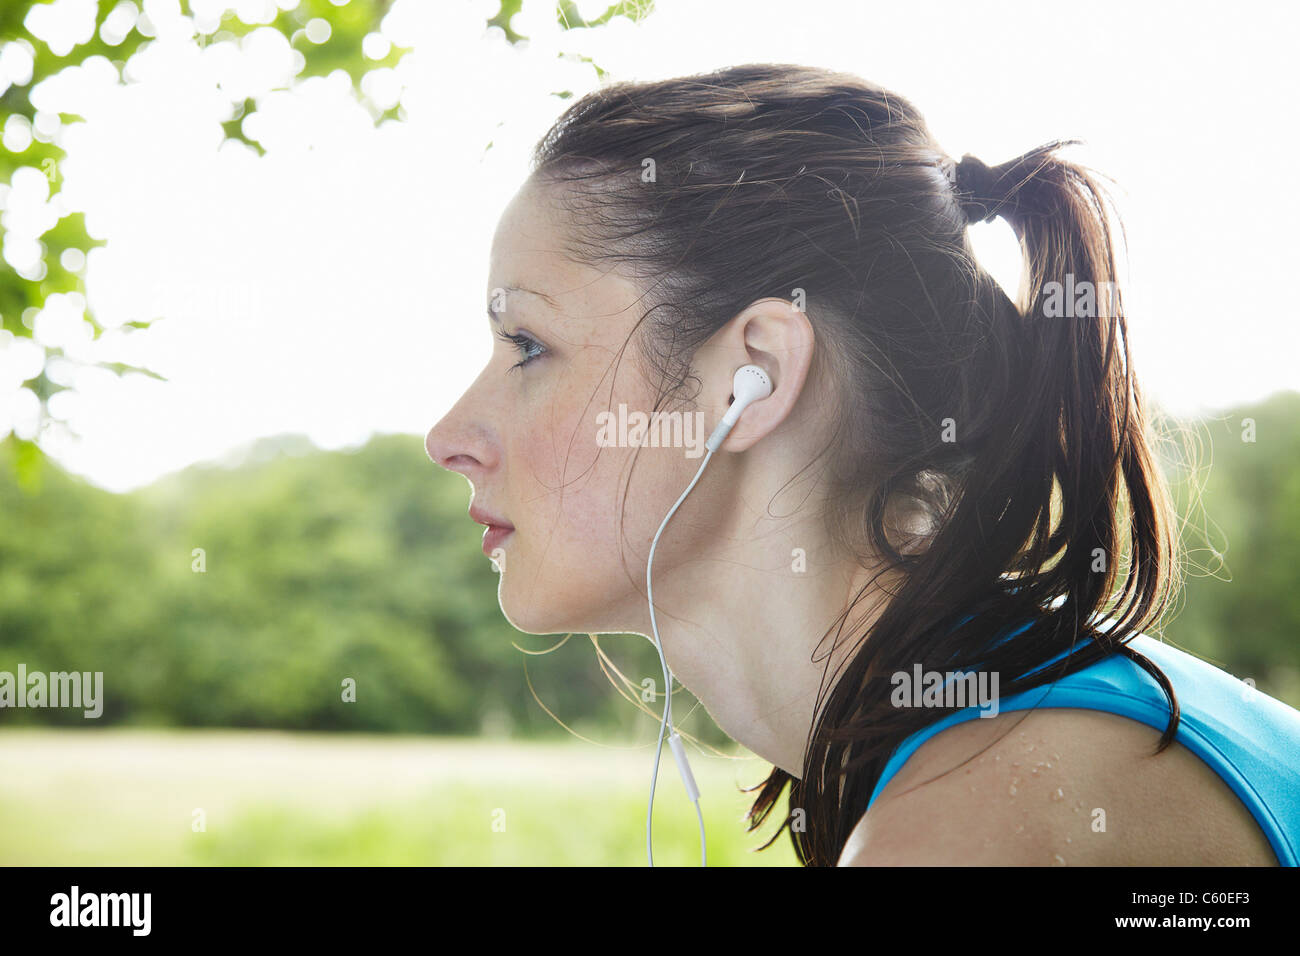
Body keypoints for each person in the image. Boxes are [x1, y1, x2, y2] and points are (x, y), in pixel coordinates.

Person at [424, 63, 1300, 866]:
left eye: (527, 345)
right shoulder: (1034, 718)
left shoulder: (972, 824)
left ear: (751, 374)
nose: (449, 435)